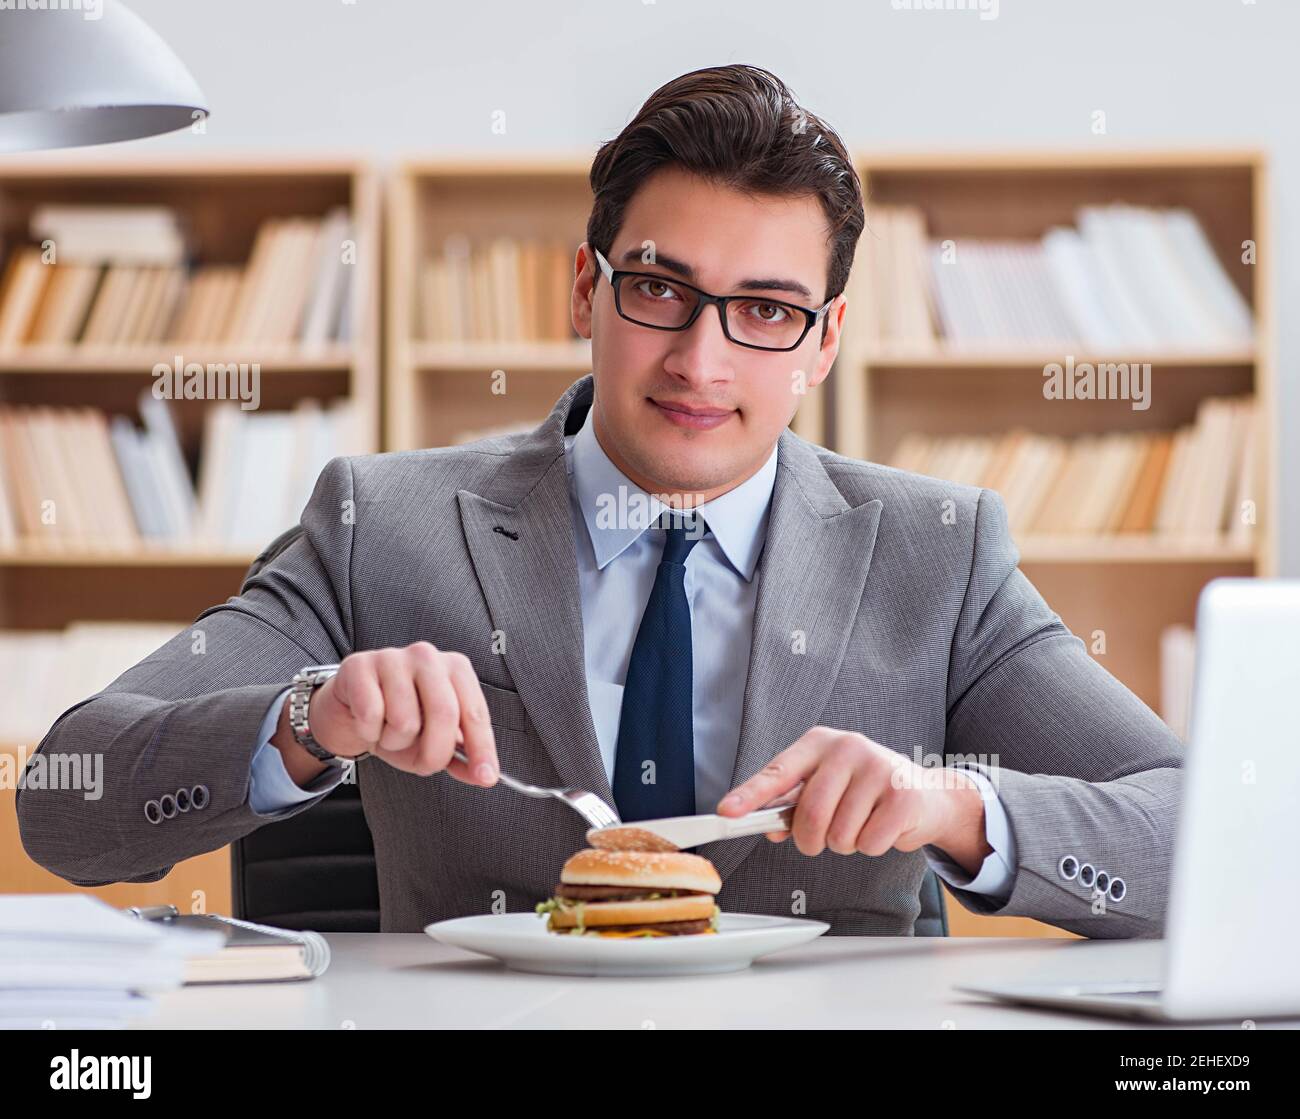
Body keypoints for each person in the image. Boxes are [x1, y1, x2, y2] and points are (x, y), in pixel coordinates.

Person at [17, 64, 1181, 937]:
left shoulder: (938, 555)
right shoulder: (382, 524)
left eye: (766, 311)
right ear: (588, 286)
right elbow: (66, 805)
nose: (701, 363)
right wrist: (306, 720)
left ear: (823, 342)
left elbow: (1216, 839)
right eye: (660, 289)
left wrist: (958, 807)